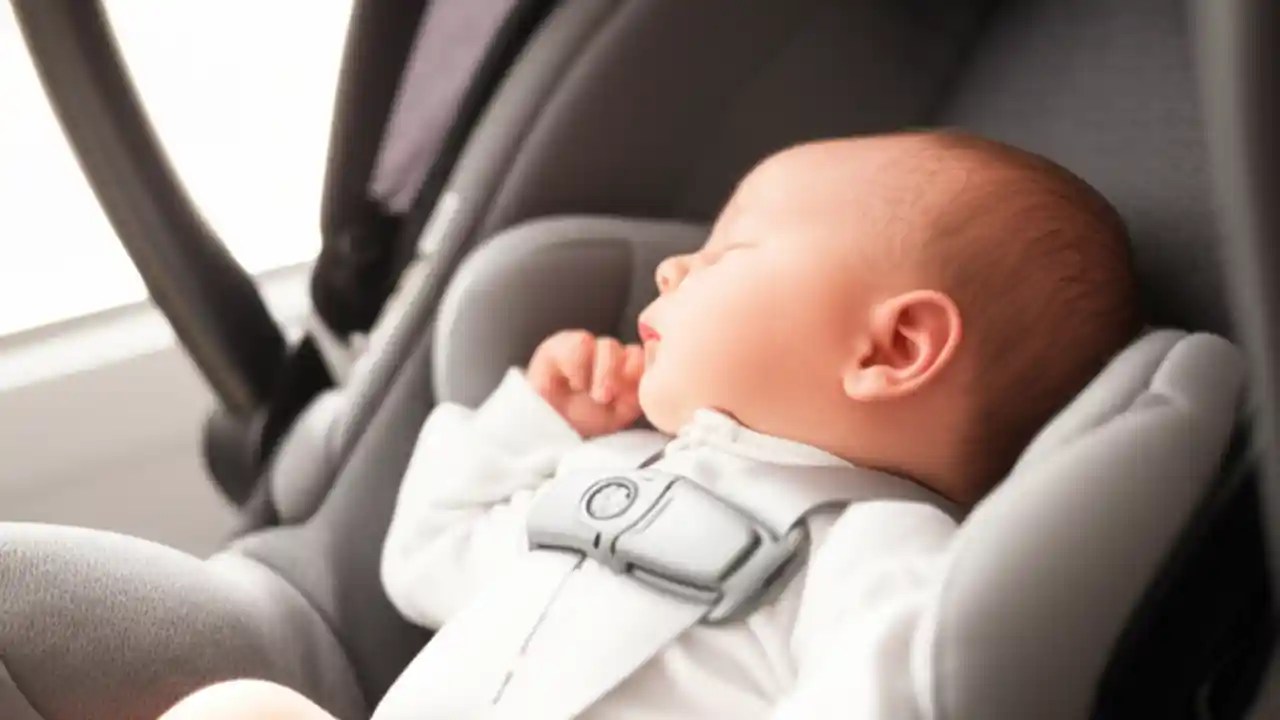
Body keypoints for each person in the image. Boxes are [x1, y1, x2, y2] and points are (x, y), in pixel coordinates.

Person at [159, 130, 1141, 719]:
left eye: (726, 253)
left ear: (889, 351)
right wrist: (535, 424)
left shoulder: (881, 550)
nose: (674, 270)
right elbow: (423, 560)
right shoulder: (615, 473)